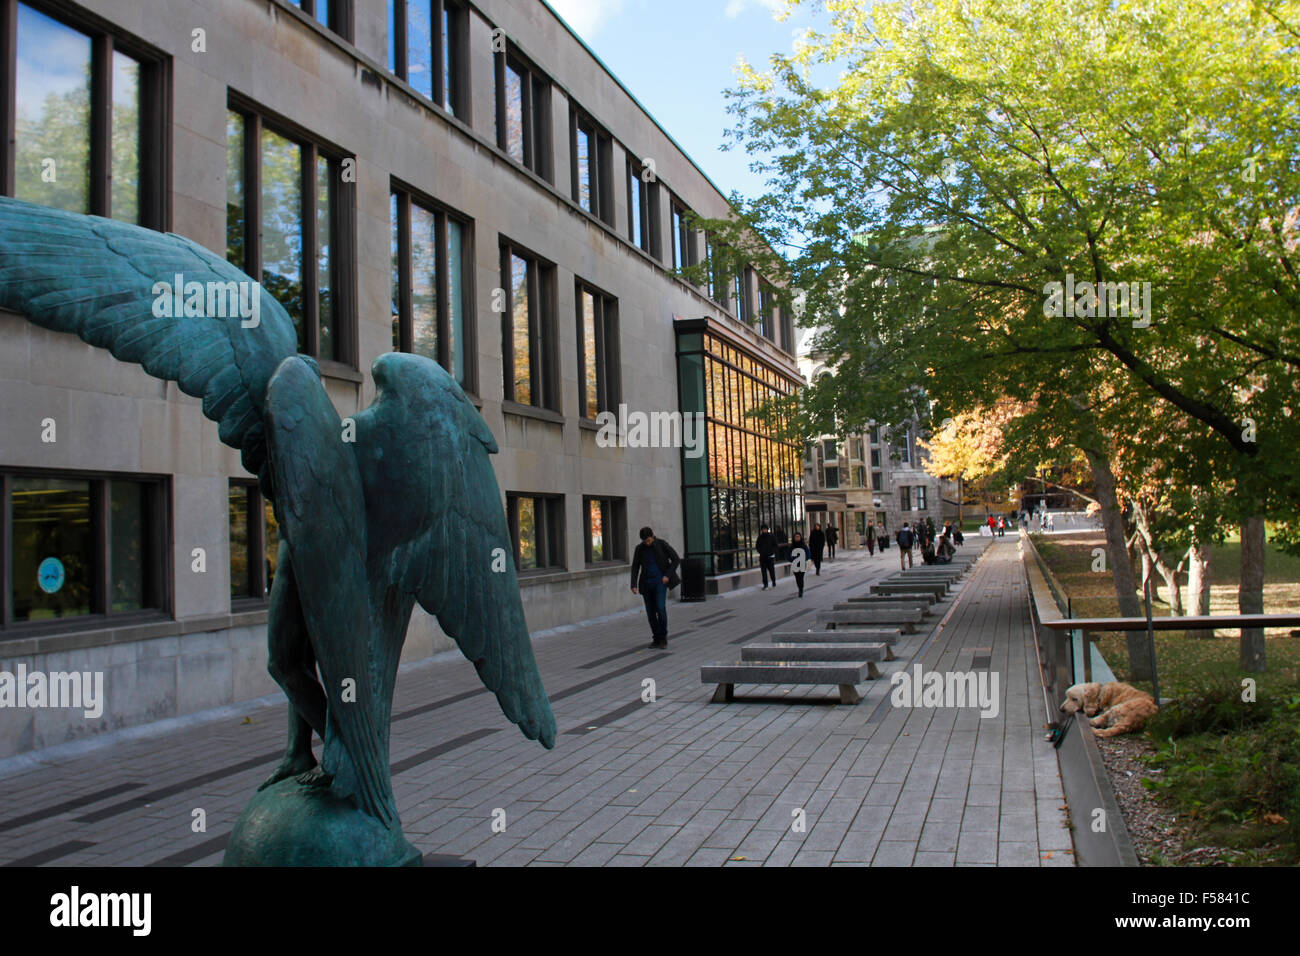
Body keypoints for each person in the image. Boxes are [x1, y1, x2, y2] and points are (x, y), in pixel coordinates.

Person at [630, 527, 680, 649]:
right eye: (645, 541)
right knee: (650, 612)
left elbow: (676, 559)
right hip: (646, 584)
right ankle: (656, 638)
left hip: (660, 582)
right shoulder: (639, 549)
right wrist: (633, 584)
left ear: (653, 536)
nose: (647, 543)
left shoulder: (662, 544)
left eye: (648, 540)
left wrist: (667, 575)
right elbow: (635, 567)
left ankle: (663, 637)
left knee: (660, 608)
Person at [755, 523, 778, 590]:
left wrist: (772, 552)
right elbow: (757, 546)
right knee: (763, 572)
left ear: (767, 529)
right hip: (763, 557)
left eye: (765, 529)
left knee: (771, 570)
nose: (764, 530)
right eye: (763, 529)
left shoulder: (771, 536)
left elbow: (775, 545)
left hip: (770, 556)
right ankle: (765, 584)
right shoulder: (760, 537)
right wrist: (761, 551)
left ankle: (773, 581)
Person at [788, 530, 810, 598]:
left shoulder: (803, 546)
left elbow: (808, 553)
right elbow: (788, 554)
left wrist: (805, 559)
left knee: (801, 577)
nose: (797, 538)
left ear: (800, 537)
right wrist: (791, 560)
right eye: (796, 537)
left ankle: (801, 590)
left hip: (802, 563)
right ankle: (799, 588)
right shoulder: (792, 546)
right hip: (795, 564)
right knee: (797, 578)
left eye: (798, 537)